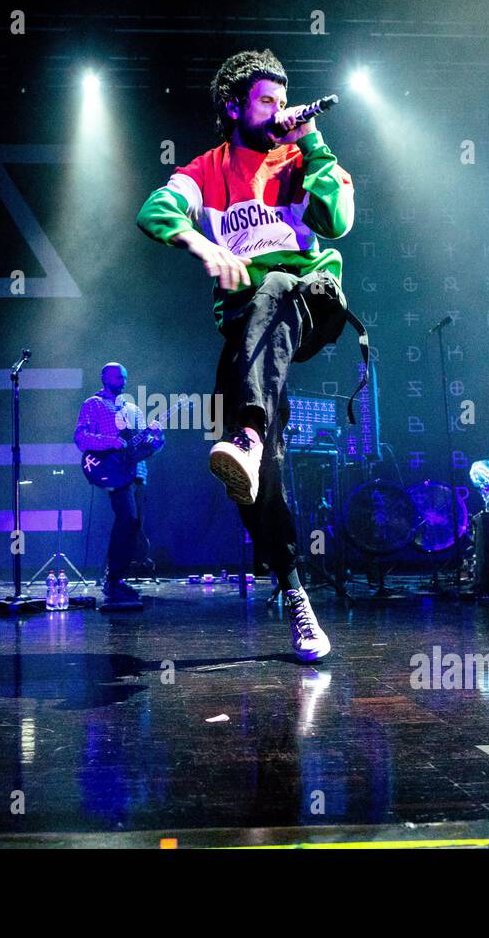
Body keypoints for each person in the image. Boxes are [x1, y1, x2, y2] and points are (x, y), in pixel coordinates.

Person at [136, 49, 362, 661]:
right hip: (249, 331)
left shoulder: (301, 156)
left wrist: (314, 143)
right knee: (254, 482)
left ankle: (251, 433)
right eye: (266, 100)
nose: (279, 110)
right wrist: (197, 244)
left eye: (283, 100)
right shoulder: (207, 170)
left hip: (310, 299)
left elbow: (337, 219)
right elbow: (154, 208)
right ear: (234, 106)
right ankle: (296, 596)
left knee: (276, 286)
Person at [74, 363, 161, 607]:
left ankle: (115, 579)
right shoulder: (93, 404)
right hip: (110, 471)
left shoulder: (132, 408)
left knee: (132, 525)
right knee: (127, 520)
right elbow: (80, 438)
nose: (122, 380)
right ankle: (113, 580)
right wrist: (111, 441)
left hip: (134, 473)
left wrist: (156, 439)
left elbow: (143, 444)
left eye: (124, 376)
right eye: (116, 376)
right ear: (104, 377)